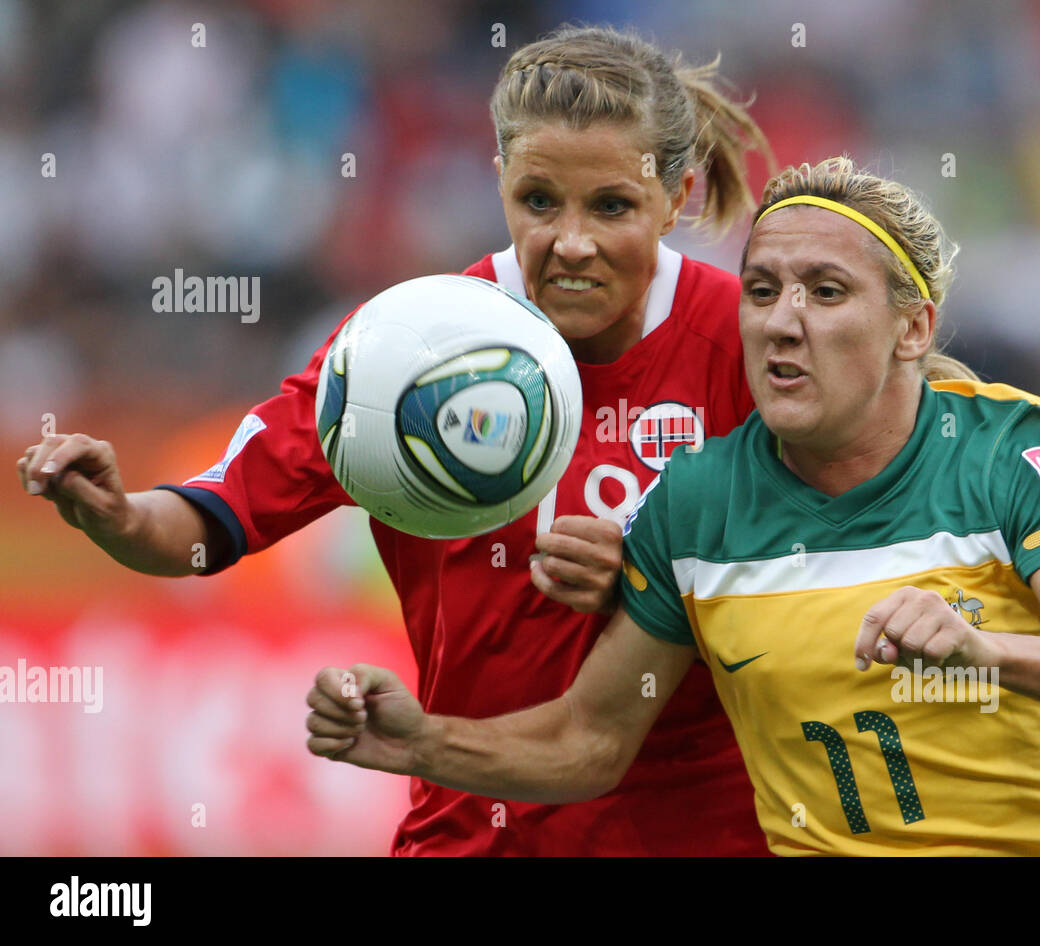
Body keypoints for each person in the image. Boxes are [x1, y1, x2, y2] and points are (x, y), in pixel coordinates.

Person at [17, 26, 779, 856]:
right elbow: (210, 524)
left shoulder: (750, 347)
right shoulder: (407, 348)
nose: (571, 242)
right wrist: (118, 517)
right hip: (472, 835)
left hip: (707, 837)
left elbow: (833, 593)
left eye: (612, 207)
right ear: (499, 185)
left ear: (677, 196)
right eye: (538, 201)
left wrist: (656, 588)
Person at [304, 156, 1040, 856]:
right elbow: (591, 739)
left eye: (826, 292)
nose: (780, 321)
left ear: (913, 328)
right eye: (762, 291)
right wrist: (422, 743)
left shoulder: (1011, 445)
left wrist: (982, 651)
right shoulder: (697, 500)